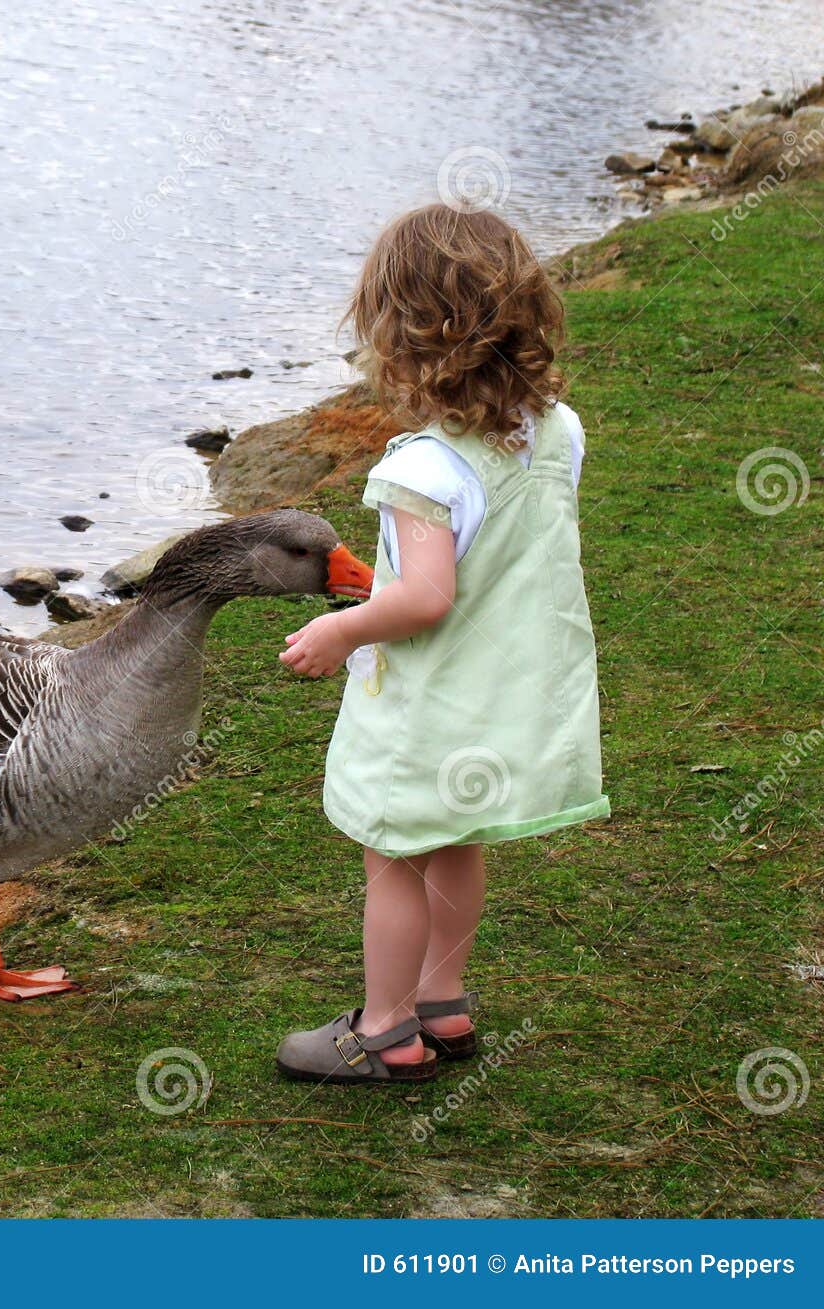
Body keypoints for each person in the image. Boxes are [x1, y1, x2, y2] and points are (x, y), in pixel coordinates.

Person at [274, 204, 609, 1085]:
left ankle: (383, 1031)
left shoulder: (422, 468)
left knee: (391, 854)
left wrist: (339, 625)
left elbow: (424, 595)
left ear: (404, 339)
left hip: (429, 701)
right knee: (457, 837)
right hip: (503, 688)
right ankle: (442, 1003)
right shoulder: (556, 430)